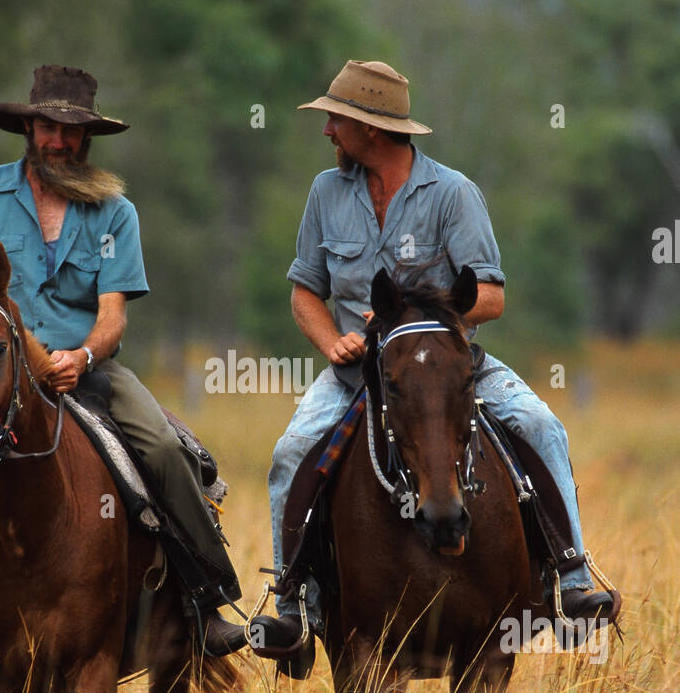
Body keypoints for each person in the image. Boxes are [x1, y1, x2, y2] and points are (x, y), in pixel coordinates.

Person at [251, 59, 620, 651]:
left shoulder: (453, 193)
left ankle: (572, 582)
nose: (327, 132)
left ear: (370, 129)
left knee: (542, 426)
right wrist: (330, 340)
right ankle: (291, 607)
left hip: (447, 370)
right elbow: (304, 292)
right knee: (290, 452)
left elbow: (492, 297)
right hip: (355, 375)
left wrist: (418, 321)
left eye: (335, 120)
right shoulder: (326, 192)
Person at [0, 65, 246, 693]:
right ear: (28, 127)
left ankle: (209, 604)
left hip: (82, 373)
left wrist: (82, 358)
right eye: (47, 127)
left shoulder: (116, 212)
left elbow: (114, 316)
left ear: (87, 137)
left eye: (70, 131)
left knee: (168, 450)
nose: (57, 141)